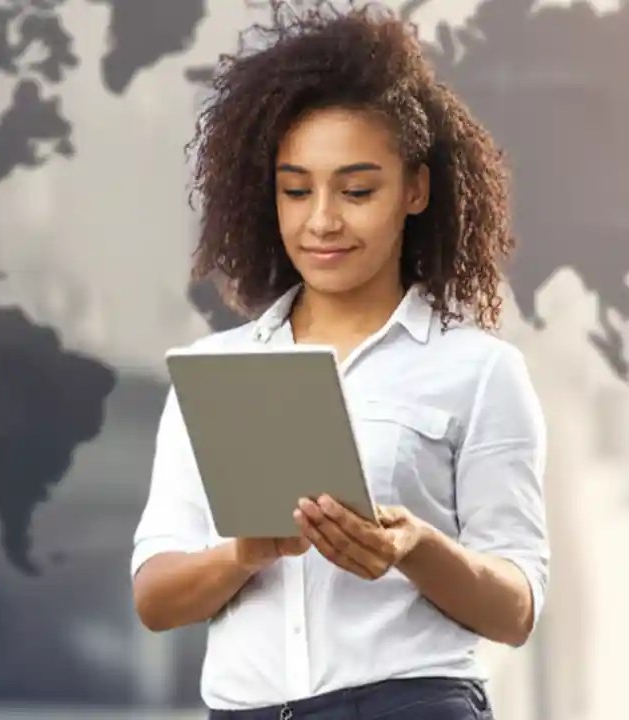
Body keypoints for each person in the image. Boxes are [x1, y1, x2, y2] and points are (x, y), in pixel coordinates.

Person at [131, 3, 548, 718]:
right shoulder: (216, 370)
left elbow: (516, 610)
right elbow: (154, 597)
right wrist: (243, 555)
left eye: (356, 190)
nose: (321, 219)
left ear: (415, 189)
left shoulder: (477, 370)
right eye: (296, 190)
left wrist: (416, 549)